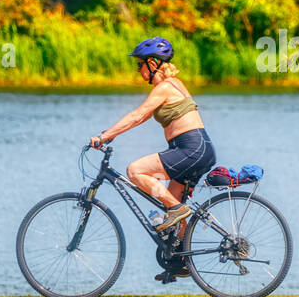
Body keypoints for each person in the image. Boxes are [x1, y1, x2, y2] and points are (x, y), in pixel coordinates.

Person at [90, 37, 216, 231]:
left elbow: (138, 114)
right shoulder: (174, 85)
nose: (138, 70)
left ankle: (178, 208)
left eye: (139, 65)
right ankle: (181, 259)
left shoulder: (165, 87)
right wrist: (112, 133)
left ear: (152, 63)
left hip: (190, 148)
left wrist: (103, 138)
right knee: (172, 220)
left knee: (135, 171)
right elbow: (142, 117)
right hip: (199, 150)